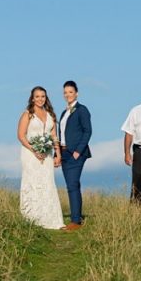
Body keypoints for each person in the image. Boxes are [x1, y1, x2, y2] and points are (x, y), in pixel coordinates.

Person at [17, 86, 64, 229]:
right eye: (37, 96)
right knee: (32, 182)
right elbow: (21, 135)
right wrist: (34, 149)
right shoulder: (27, 114)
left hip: (47, 154)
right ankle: (31, 218)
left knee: (47, 182)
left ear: (46, 98)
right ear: (32, 98)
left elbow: (54, 136)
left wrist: (58, 154)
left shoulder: (50, 115)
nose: (40, 99)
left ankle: (51, 219)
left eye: (43, 96)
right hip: (30, 153)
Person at [57, 80, 91, 229]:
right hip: (64, 153)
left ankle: (76, 221)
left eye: (70, 92)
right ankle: (75, 218)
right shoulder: (64, 112)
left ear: (76, 93)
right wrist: (56, 153)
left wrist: (78, 151)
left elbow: (87, 131)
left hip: (76, 153)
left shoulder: (82, 110)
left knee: (73, 185)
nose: (68, 95)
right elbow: (60, 134)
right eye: (65, 92)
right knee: (70, 186)